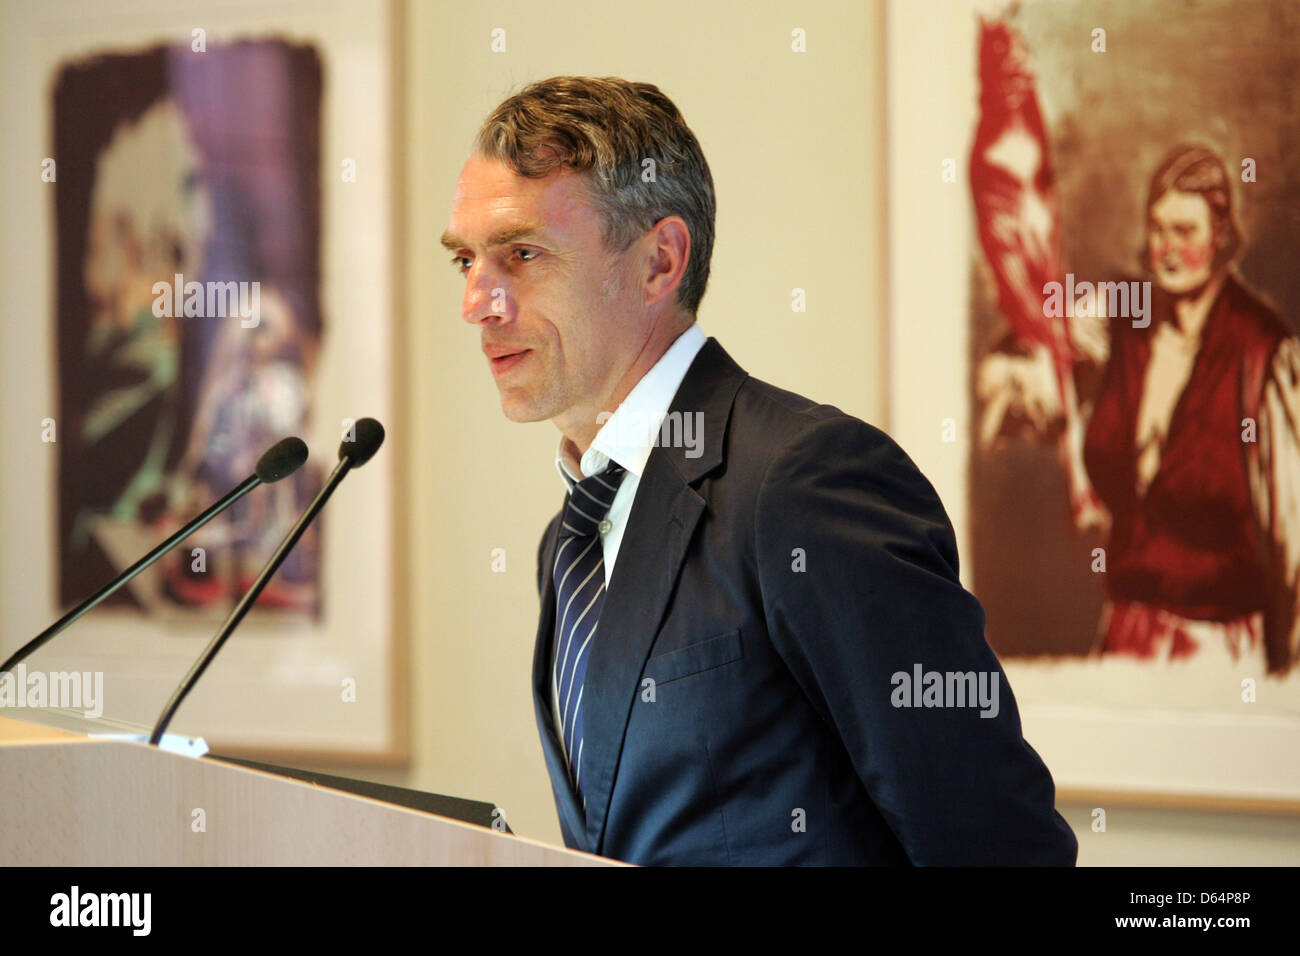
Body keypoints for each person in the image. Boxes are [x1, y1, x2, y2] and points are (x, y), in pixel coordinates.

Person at [443, 76, 1077, 865]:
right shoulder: (566, 543)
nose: (476, 301)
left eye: (522, 254)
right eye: (465, 259)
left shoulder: (805, 482)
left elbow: (995, 844)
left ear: (658, 263)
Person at [1083, 144, 1300, 675]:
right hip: (1126, 634)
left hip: (1217, 650)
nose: (1168, 250)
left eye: (1185, 232)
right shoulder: (1128, 322)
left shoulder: (1261, 352)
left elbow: (1293, 542)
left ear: (1220, 236)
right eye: (1158, 230)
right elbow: (1039, 348)